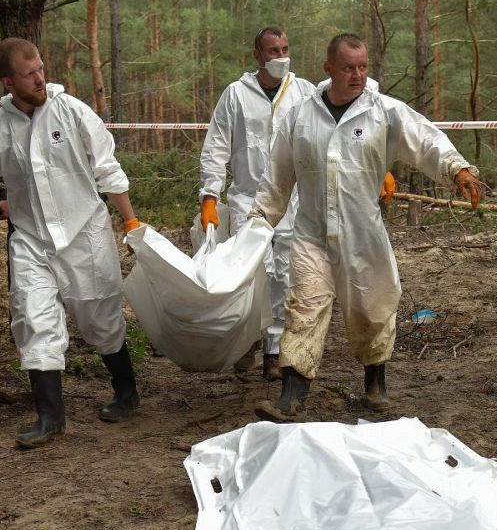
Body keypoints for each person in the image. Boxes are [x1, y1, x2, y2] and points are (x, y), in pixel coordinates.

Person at [252, 33, 482, 420]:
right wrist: (260, 219)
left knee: (372, 309)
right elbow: (278, 175)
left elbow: (425, 140)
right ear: (329, 69)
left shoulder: (384, 112)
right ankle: (292, 396)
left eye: (362, 67)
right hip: (312, 233)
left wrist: (455, 167)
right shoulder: (301, 116)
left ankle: (376, 380)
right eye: (348, 68)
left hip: (364, 236)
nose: (357, 75)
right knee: (304, 308)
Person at [0, 38, 143, 450]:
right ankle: (50, 416)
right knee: (33, 318)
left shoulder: (72, 112)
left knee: (99, 317)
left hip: (86, 234)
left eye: (41, 69)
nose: (40, 78)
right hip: (31, 240)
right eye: (29, 74)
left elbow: (107, 167)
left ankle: (126, 392)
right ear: (9, 80)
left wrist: (131, 221)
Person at [198, 26, 315, 380]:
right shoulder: (236, 94)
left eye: (285, 48)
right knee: (252, 273)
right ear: (257, 56)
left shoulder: (304, 91)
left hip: (291, 200)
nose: (280, 56)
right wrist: (209, 195)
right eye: (272, 51)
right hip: (248, 199)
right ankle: (247, 338)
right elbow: (216, 145)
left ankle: (274, 350)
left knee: (283, 274)